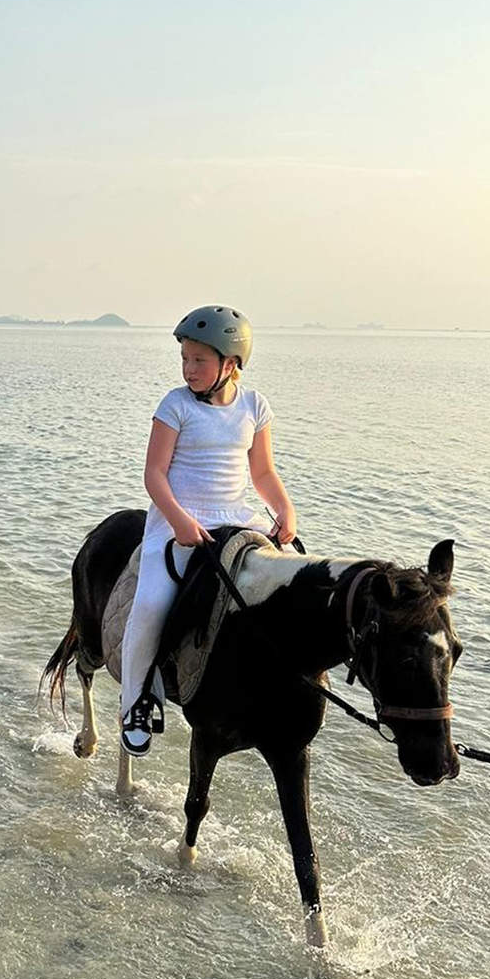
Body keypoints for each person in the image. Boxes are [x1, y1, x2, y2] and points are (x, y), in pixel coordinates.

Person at [119, 305, 298, 755]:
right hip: (177, 518)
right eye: (184, 358)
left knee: (296, 580)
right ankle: (136, 702)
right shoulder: (175, 405)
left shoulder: (255, 407)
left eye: (199, 360)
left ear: (231, 364)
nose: (189, 369)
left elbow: (263, 473)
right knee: (151, 604)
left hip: (235, 514)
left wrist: (284, 510)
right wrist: (179, 520)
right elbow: (154, 474)